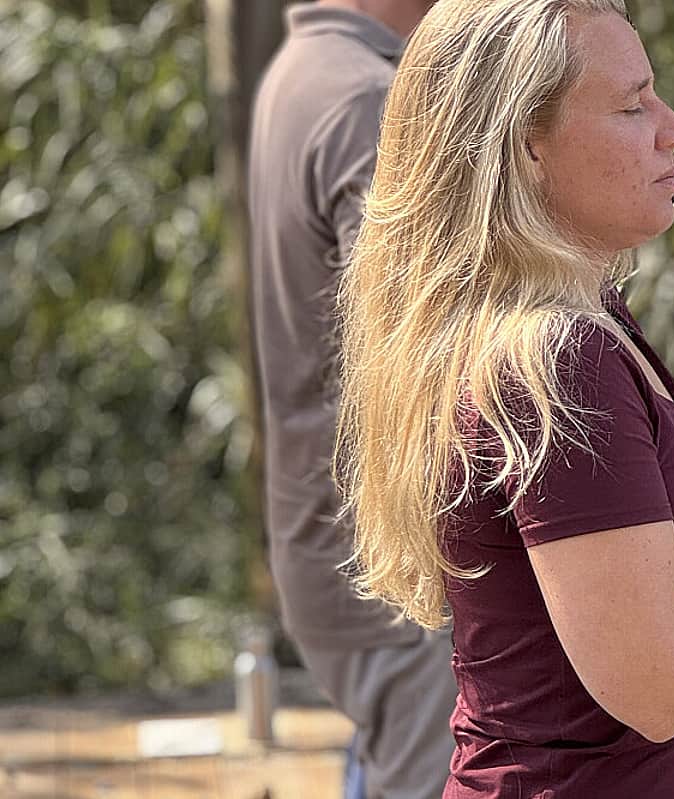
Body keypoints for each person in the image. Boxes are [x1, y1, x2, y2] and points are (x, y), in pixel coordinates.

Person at [332, 1, 674, 797]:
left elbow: (614, 603)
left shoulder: (581, 324)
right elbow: (660, 686)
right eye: (633, 106)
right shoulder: (559, 363)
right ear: (527, 147)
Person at [246, 2, 456, 798]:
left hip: (330, 531)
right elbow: (420, 332)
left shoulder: (304, 72)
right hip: (389, 549)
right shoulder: (367, 97)